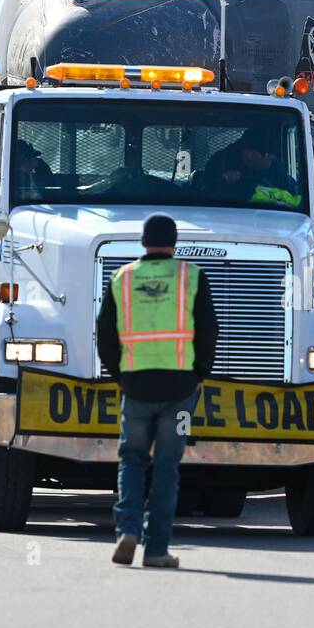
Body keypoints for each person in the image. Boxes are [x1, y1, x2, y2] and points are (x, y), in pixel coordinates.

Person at [95, 214, 219, 568]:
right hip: (180, 389)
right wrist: (199, 374)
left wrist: (120, 375)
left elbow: (104, 334)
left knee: (132, 459)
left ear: (144, 242)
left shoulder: (123, 278)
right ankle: (156, 549)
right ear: (174, 243)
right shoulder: (191, 277)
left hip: (136, 386)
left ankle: (127, 530)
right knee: (167, 466)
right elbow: (209, 331)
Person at [202, 128, 300, 208]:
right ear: (249, 154)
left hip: (268, 217)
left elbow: (292, 191)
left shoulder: (274, 166)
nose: (272, 156)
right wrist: (222, 180)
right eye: (266, 153)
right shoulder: (219, 162)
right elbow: (202, 192)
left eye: (272, 152)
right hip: (225, 215)